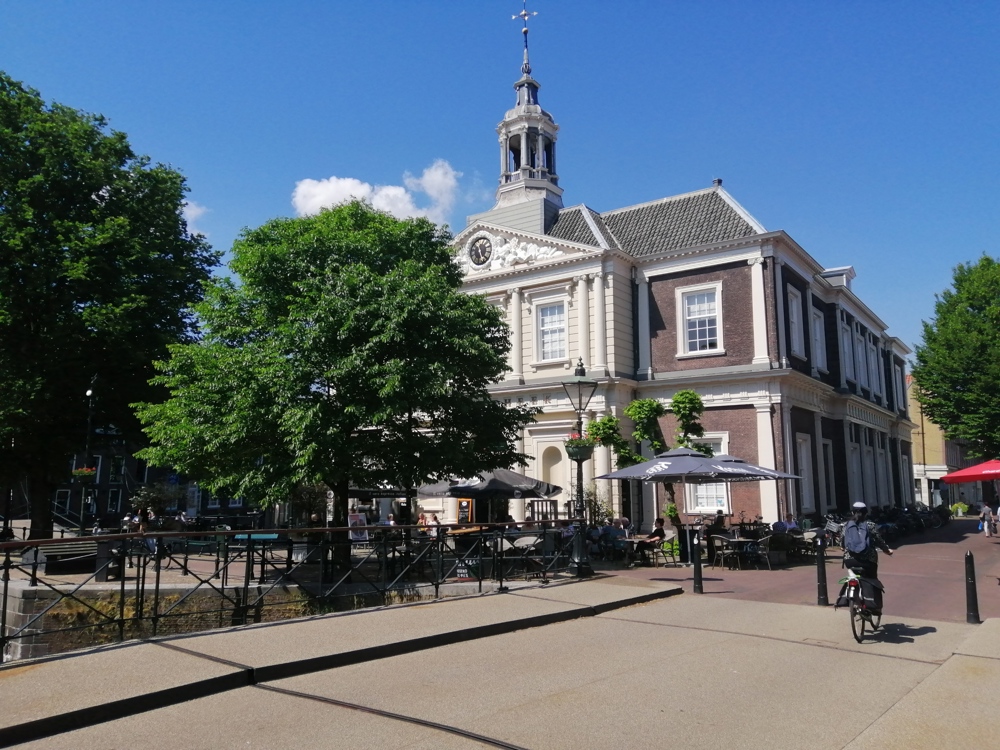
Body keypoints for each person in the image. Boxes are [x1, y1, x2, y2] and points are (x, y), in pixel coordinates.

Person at [843, 501, 893, 579]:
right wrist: (886, 550)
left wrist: (843, 547)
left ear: (852, 512)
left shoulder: (846, 525)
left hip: (850, 560)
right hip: (868, 561)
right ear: (866, 513)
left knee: (850, 579)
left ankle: (847, 589)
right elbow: (879, 540)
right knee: (873, 581)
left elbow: (842, 541)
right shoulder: (870, 525)